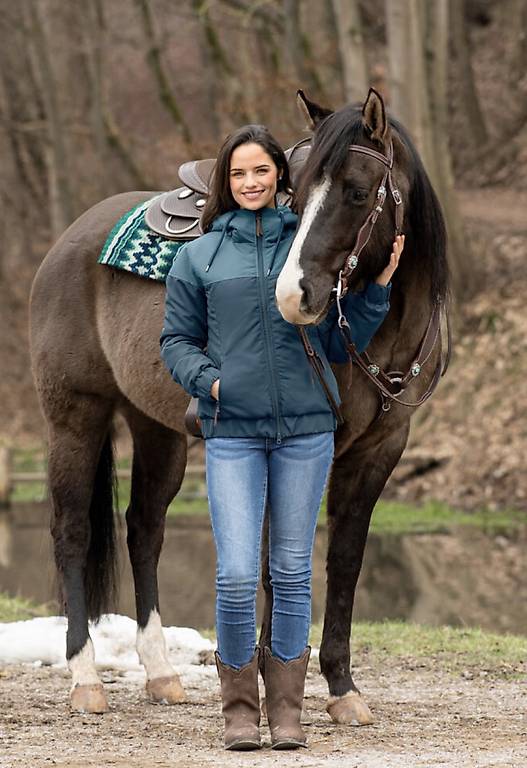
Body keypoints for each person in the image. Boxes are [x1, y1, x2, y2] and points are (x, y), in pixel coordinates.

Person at [160, 125, 402, 751]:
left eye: (261, 172)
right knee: (239, 573)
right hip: (232, 433)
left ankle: (287, 710)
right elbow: (176, 343)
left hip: (306, 431)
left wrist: (374, 292)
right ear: (226, 182)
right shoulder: (201, 256)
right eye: (238, 174)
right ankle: (240, 708)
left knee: (292, 572)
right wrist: (211, 384)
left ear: (281, 179)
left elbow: (332, 339)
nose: (250, 183)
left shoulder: (306, 248)